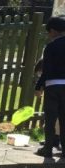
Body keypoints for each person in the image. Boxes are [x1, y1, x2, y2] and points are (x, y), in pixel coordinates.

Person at [34, 16, 65, 158]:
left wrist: (38, 87)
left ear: (52, 31)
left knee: (51, 119)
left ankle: (47, 149)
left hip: (52, 86)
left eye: (48, 32)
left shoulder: (50, 47)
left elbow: (45, 70)